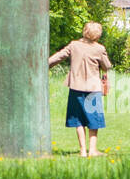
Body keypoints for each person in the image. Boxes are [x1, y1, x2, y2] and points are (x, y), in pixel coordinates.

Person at [48, 21, 112, 157]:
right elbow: (107, 66)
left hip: (75, 87)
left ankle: (82, 150)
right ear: (97, 35)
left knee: (78, 119)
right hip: (93, 88)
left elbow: (59, 56)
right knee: (93, 119)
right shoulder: (99, 49)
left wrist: (44, 63)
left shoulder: (74, 45)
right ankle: (93, 150)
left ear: (85, 31)